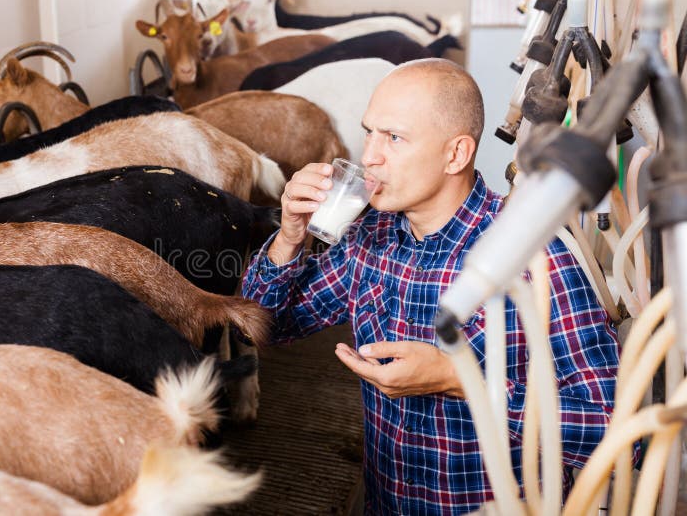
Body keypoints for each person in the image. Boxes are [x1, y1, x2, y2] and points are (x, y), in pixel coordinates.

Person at [241, 58, 621, 515]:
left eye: (394, 138)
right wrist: (288, 236)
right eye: (369, 132)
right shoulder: (370, 238)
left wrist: (460, 381)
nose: (369, 157)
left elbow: (616, 434)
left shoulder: (536, 256)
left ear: (455, 155)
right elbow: (263, 325)